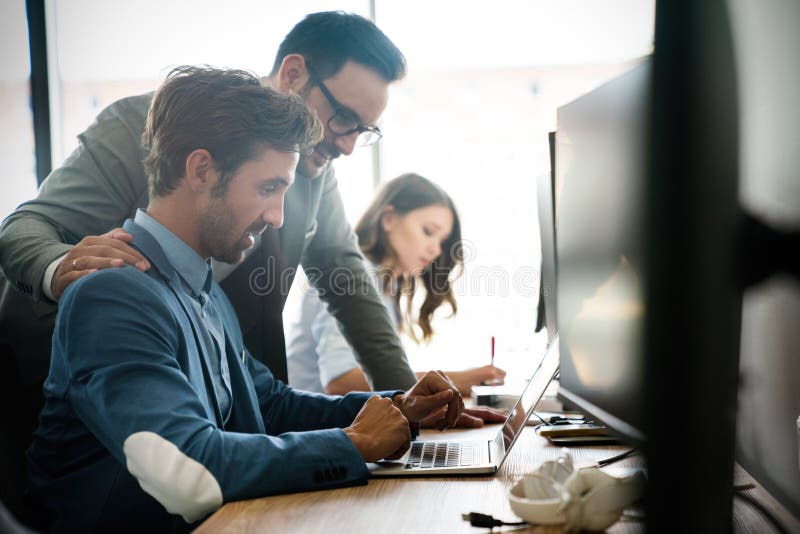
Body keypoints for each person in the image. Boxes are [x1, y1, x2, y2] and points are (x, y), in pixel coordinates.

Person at [25, 67, 464, 533]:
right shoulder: (113, 294)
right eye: (267, 188)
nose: (276, 218)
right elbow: (188, 469)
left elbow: (268, 406)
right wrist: (354, 444)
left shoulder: (202, 288)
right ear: (201, 170)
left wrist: (397, 407)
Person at [0, 11, 415, 390]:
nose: (346, 145)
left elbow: (349, 284)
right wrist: (59, 271)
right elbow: (22, 229)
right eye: (342, 117)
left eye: (363, 132)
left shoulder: (312, 170)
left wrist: (411, 401)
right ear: (293, 73)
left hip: (196, 387)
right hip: (53, 366)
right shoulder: (142, 127)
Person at [287, 174, 507, 397]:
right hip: (314, 427)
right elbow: (340, 382)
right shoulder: (356, 279)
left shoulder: (384, 286)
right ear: (389, 218)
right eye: (428, 231)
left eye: (441, 241)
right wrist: (454, 380)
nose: (437, 250)